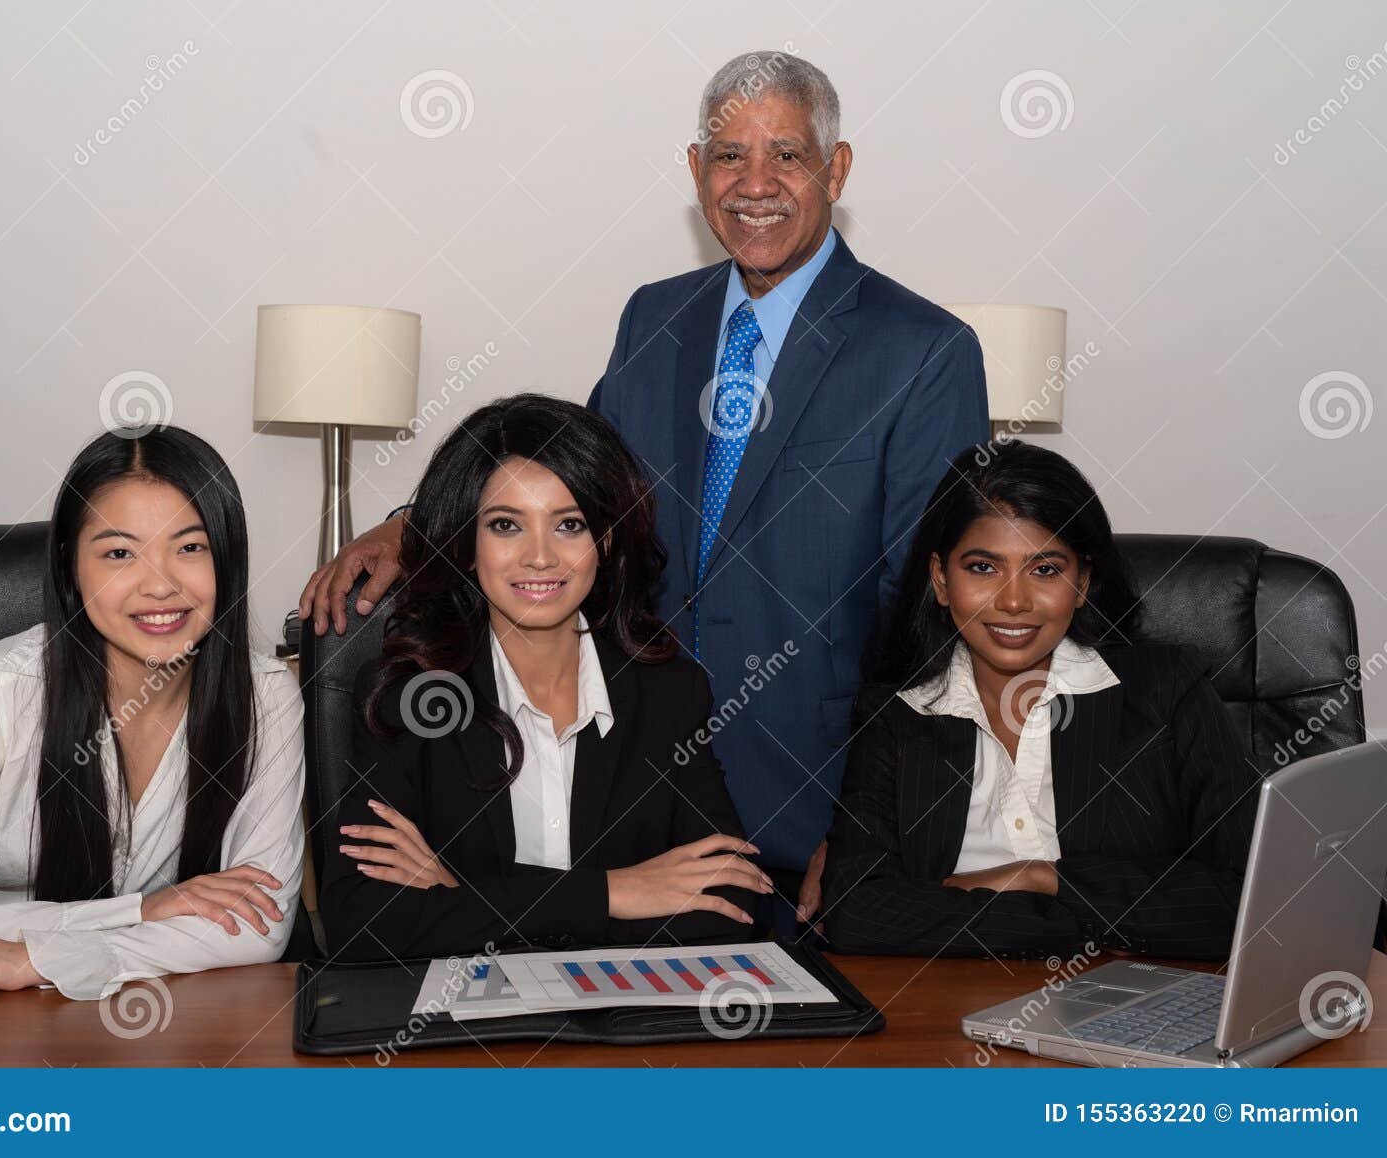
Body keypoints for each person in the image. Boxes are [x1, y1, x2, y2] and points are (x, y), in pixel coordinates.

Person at [301, 51, 989, 933]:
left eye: (787, 154)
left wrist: (874, 825)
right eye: (729, 155)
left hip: (816, 806)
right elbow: (576, 481)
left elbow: (935, 615)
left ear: (837, 168)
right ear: (696, 171)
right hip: (633, 807)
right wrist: (417, 528)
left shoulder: (924, 351)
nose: (756, 183)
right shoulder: (655, 317)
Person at [0, 426, 308, 1000]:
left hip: (168, 1035)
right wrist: (140, 913)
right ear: (72, 565)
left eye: (190, 547)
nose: (160, 584)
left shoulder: (266, 697)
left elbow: (258, 926)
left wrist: (38, 959)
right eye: (120, 553)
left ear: (228, 556)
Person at [320, 394, 773, 961]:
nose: (539, 557)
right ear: (468, 544)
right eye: (506, 525)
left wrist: (465, 898)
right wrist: (615, 892)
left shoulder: (670, 694)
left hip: (626, 1036)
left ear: (605, 541)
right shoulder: (411, 696)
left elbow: (732, 904)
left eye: (569, 525)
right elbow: (359, 926)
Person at [819, 440, 1259, 959]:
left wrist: (1042, 877)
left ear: (1083, 580)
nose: (1013, 601)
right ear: (941, 580)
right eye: (983, 567)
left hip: (1134, 1010)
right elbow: (856, 913)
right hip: (948, 1013)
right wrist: (1084, 920)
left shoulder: (1167, 690)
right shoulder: (896, 716)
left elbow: (1248, 899)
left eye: (1045, 569)